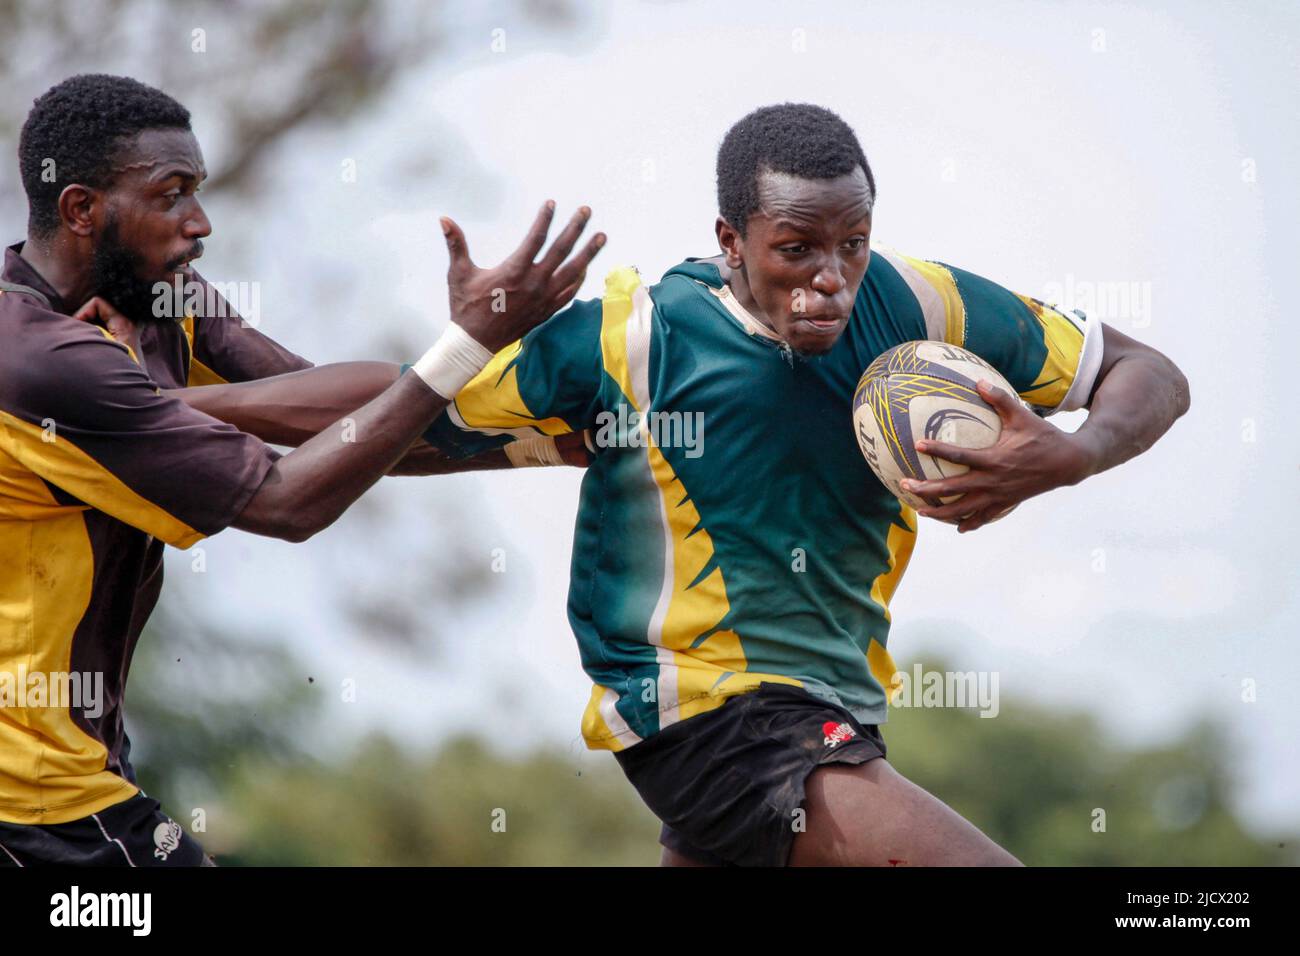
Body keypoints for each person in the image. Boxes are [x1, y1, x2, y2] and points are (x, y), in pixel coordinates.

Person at [168, 103, 1191, 866]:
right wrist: (154, 410)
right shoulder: (637, 335)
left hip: (838, 705)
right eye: (795, 250)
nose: (829, 276)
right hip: (713, 716)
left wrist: (1077, 451)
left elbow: (1145, 371)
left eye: (850, 243)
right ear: (730, 242)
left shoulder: (920, 302)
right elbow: (409, 404)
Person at [0, 73, 602, 866]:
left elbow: (337, 423)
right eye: (171, 194)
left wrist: (541, 441)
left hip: (71, 786)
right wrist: (469, 345)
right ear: (82, 209)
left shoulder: (160, 299)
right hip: (33, 802)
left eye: (198, 190)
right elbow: (289, 500)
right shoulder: (39, 359)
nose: (199, 222)